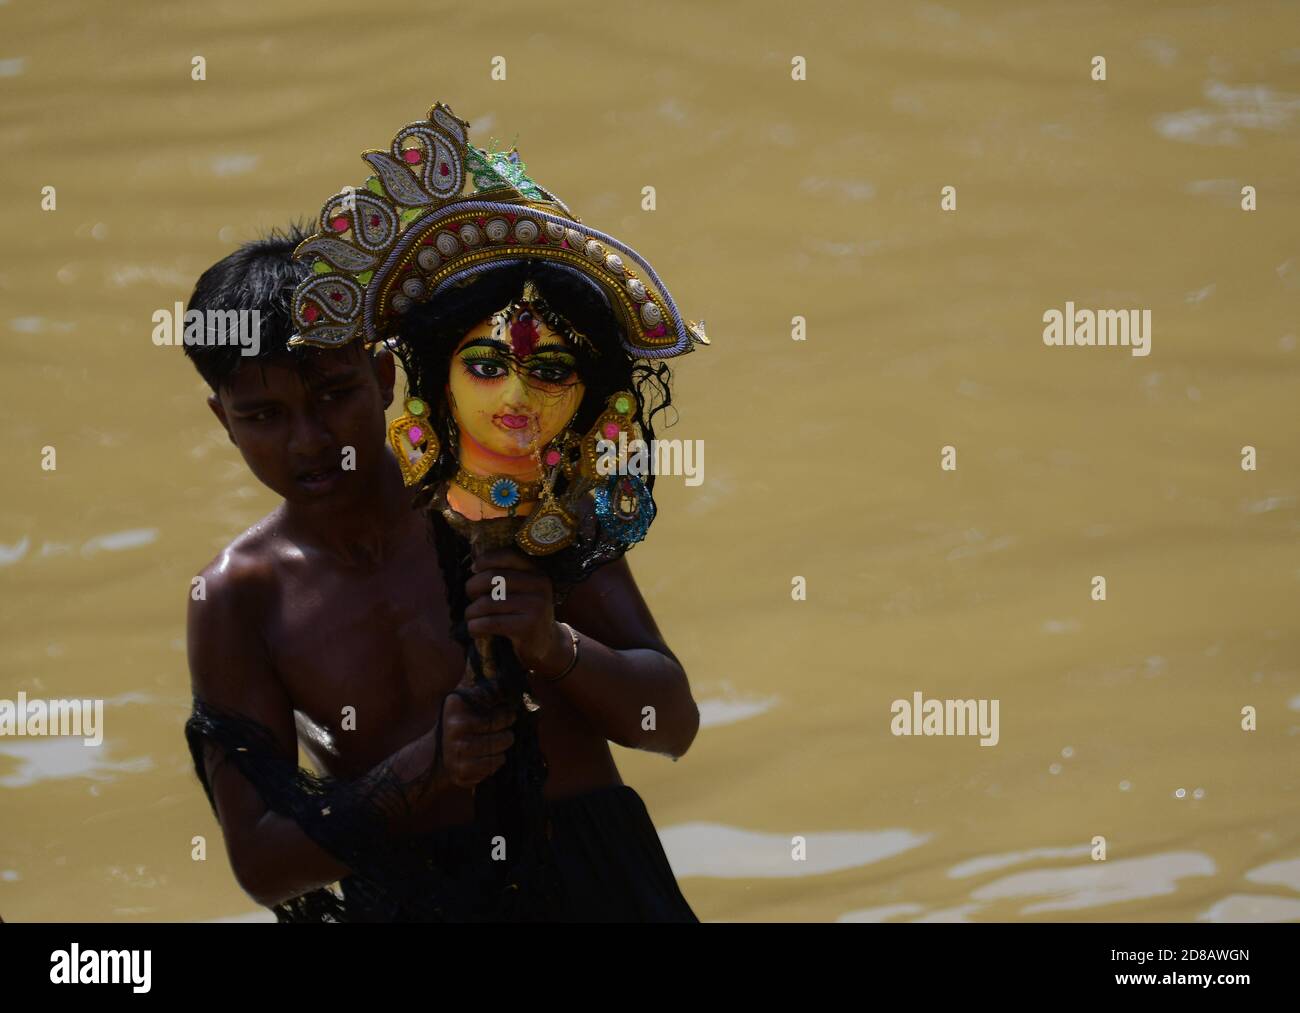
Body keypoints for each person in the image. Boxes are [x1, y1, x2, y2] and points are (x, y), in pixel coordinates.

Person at [183, 100, 709, 922]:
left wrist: (554, 645)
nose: (310, 439)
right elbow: (261, 863)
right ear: (223, 420)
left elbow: (669, 722)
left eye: (334, 392)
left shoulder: (510, 487)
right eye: (264, 416)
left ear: (384, 377)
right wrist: (424, 769)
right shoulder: (240, 597)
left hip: (595, 886)